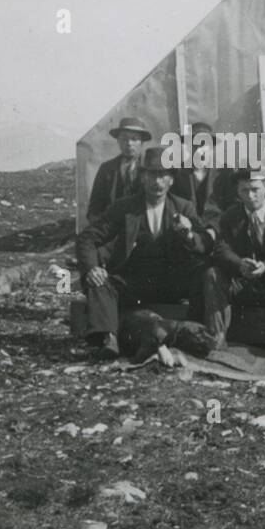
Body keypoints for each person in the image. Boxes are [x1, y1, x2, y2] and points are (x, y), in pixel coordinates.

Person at [76, 147, 210, 357]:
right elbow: (87, 237)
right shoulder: (124, 207)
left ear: (171, 180)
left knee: (205, 273)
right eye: (152, 176)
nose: (157, 182)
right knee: (99, 281)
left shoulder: (184, 207)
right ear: (142, 178)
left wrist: (190, 234)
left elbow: (205, 243)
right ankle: (108, 339)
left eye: (163, 176)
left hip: (172, 282)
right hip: (134, 281)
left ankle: (198, 334)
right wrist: (91, 268)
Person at [197, 165, 265, 363]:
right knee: (212, 273)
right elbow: (221, 249)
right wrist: (240, 264)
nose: (250, 196)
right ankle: (217, 337)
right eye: (244, 191)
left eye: (255, 189)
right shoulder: (230, 216)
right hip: (243, 284)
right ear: (238, 193)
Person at [86, 116, 150, 221]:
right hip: (113, 228)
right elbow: (94, 208)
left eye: (134, 139)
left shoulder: (150, 168)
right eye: (124, 139)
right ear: (118, 141)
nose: (129, 143)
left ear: (142, 142)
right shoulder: (106, 169)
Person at [170, 121, 224, 219]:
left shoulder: (223, 172)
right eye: (195, 145)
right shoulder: (177, 173)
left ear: (211, 147)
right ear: (188, 148)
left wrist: (213, 229)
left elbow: (230, 206)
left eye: (203, 145)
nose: (199, 151)